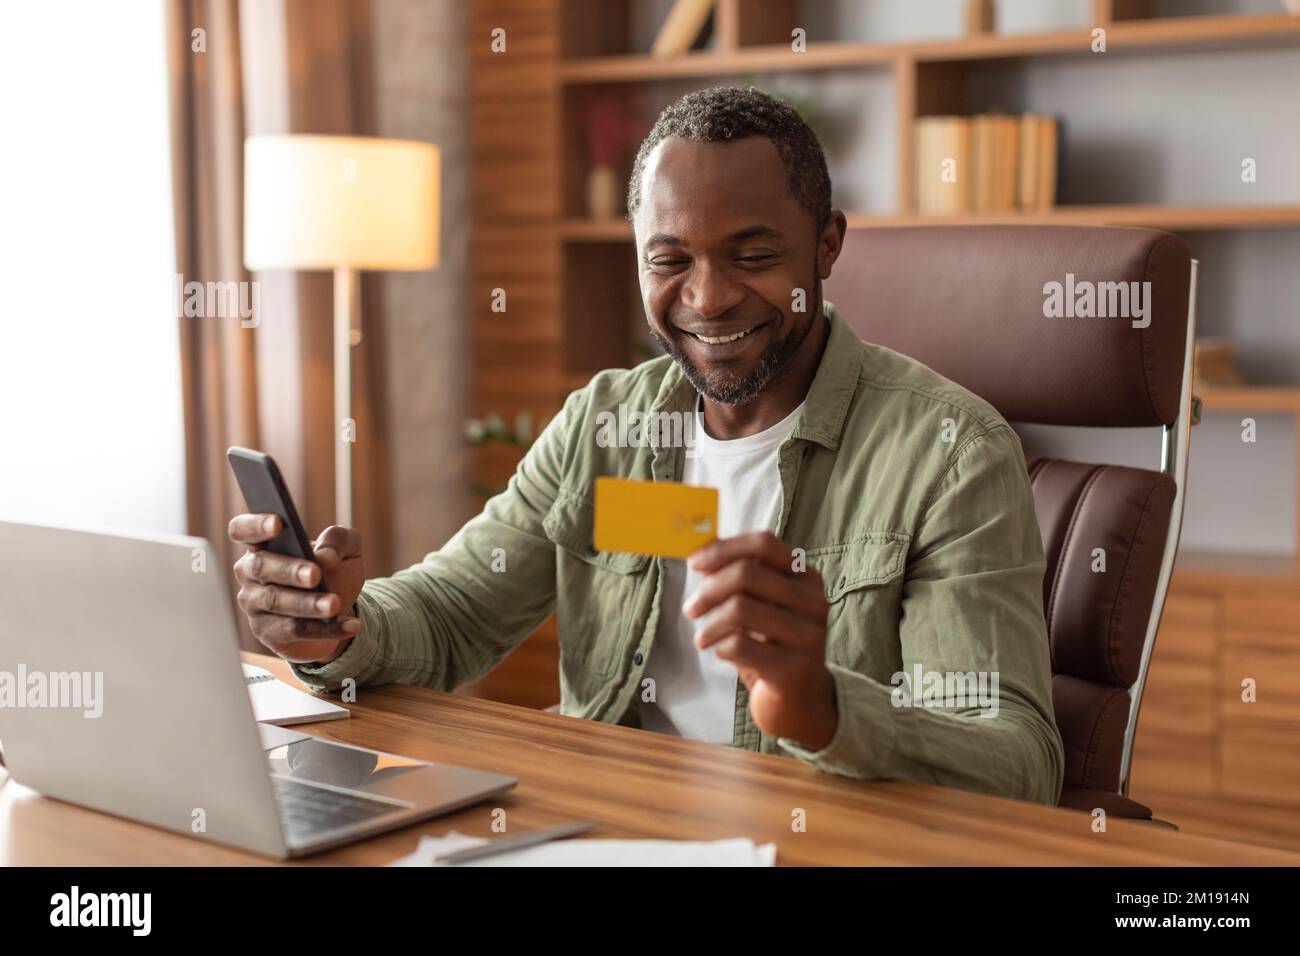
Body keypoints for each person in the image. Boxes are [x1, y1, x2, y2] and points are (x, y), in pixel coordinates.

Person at [230, 87, 1064, 804]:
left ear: (828, 244)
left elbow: (1017, 760)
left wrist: (823, 708)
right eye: (669, 260)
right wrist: (338, 632)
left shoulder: (950, 451)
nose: (707, 297)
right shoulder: (606, 427)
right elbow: (451, 616)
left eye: (755, 255)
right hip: (612, 827)